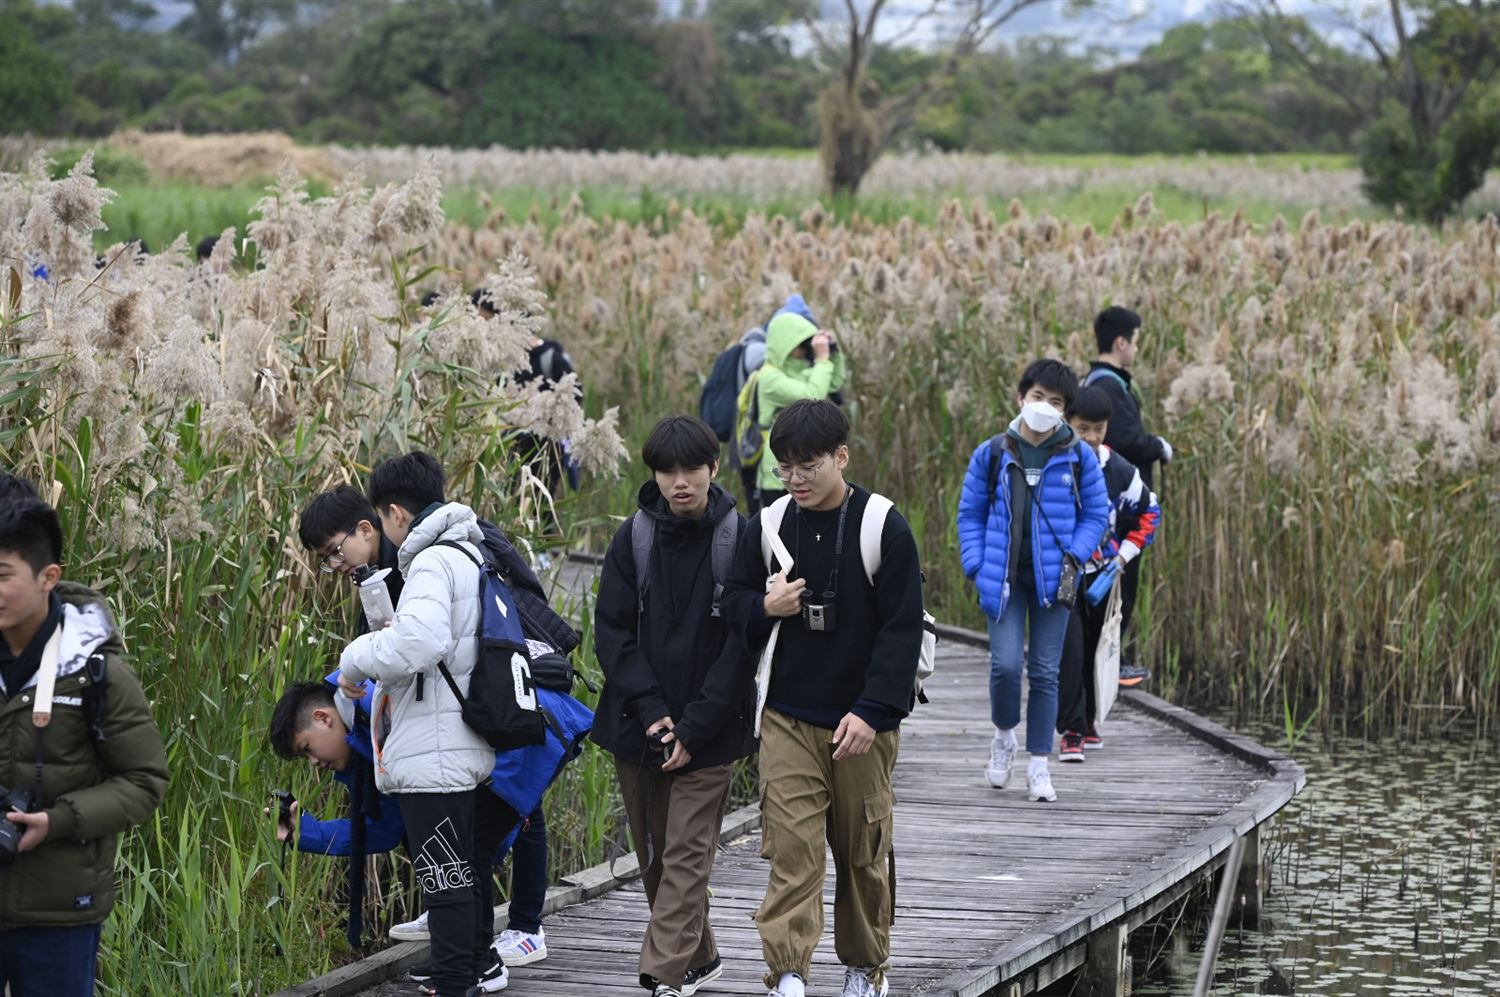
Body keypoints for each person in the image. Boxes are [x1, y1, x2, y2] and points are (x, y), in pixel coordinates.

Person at [297, 478, 578, 969]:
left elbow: (418, 644)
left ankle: (522, 928)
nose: (332, 566)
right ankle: (463, 934)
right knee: (465, 828)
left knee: (521, 801)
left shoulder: (423, 557)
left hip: (500, 692)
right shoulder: (382, 568)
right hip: (459, 709)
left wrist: (353, 663)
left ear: (374, 523)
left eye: (332, 552)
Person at [720, 399, 924, 997]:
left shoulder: (882, 525)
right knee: (793, 850)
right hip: (786, 716)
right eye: (785, 468)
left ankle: (864, 967)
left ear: (842, 457)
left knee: (863, 853)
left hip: (863, 722)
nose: (796, 479)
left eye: (807, 465)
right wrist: (765, 606)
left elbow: (902, 629)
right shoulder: (768, 525)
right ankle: (788, 973)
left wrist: (873, 710)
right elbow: (730, 606)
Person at [266, 667, 589, 986]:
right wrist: (305, 833)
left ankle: (479, 964)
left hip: (522, 737)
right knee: (441, 833)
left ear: (324, 718)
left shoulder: (373, 704)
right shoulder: (361, 732)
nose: (314, 763)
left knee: (464, 845)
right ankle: (463, 958)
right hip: (496, 742)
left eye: (307, 749)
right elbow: (387, 827)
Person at [337, 452, 520, 997]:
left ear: (394, 513)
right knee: (459, 876)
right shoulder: (467, 550)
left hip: (434, 749)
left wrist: (352, 658)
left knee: (444, 882)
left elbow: (418, 643)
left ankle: (454, 984)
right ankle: (460, 981)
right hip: (456, 743)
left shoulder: (433, 560)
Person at [592, 415, 756, 997]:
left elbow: (742, 648)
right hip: (640, 723)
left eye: (692, 469)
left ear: (714, 469)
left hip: (712, 728)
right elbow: (611, 631)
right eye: (668, 470)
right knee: (656, 858)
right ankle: (702, 955)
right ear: (655, 473)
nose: (680, 481)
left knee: (687, 852)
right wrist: (654, 709)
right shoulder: (632, 538)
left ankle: (661, 974)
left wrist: (693, 725)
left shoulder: (742, 541)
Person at [0, 497, 168, 996]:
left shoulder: (96, 672)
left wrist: (58, 821)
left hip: (58, 912)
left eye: (3, 574)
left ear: (48, 577)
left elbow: (144, 780)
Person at [956, 359, 1110, 803]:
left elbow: (1096, 514)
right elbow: (970, 514)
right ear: (1021, 397)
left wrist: (1075, 556)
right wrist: (974, 562)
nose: (1045, 407)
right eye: (1039, 397)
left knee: (1045, 673)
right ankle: (1004, 738)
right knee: (1005, 665)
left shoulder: (1077, 455)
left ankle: (1039, 766)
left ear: (1065, 410)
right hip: (1002, 578)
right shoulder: (992, 452)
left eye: (1056, 402)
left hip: (1054, 581)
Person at [1055, 387, 1160, 761]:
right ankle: (1070, 728)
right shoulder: (1054, 465)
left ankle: (1088, 722)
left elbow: (1150, 512)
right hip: (1063, 573)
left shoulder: (1118, 470)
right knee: (1069, 648)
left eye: (1098, 429)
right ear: (1067, 422)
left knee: (1095, 648)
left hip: (1103, 574)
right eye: (1083, 428)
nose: (1091, 437)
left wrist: (1123, 556)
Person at [1085, 306, 1172, 685]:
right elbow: (1125, 441)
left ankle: (1108, 664)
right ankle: (1109, 667)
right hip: (1119, 514)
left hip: (1114, 510)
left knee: (1115, 588)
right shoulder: (1108, 386)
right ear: (1121, 342)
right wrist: (1160, 446)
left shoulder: (1097, 381)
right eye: (1135, 342)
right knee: (1120, 588)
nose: (1136, 350)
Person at [752, 308, 847, 509]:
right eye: (799, 344)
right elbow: (813, 395)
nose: (804, 349)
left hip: (805, 462)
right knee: (779, 529)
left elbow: (834, 383)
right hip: (778, 468)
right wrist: (821, 359)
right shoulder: (769, 377)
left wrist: (833, 355)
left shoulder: (802, 371)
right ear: (784, 345)